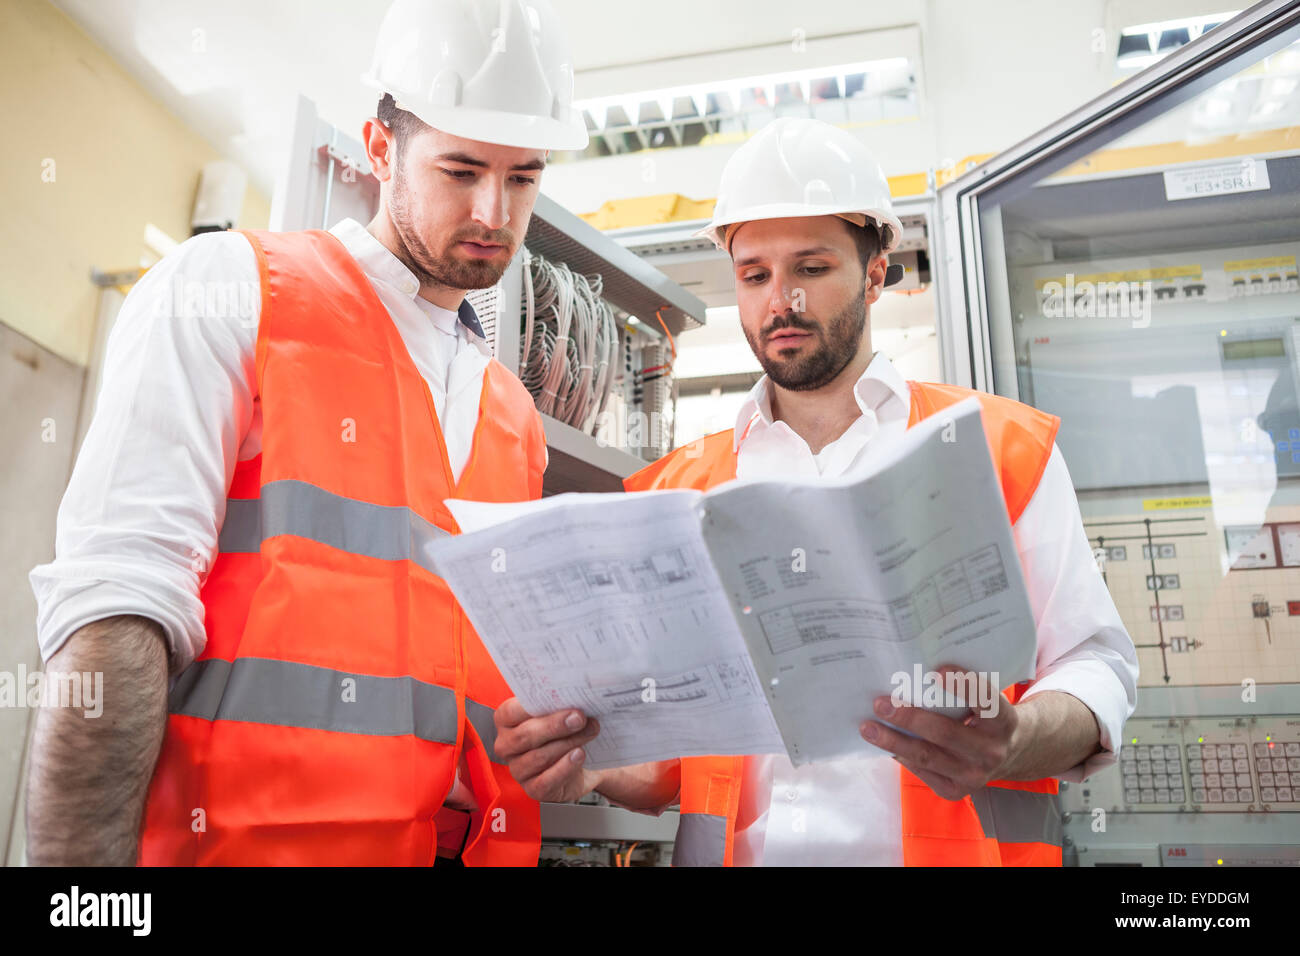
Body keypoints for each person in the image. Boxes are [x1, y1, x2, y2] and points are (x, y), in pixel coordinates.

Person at [26, 0, 588, 866]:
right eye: (461, 168)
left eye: (522, 178)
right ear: (380, 146)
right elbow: (114, 615)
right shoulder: (236, 291)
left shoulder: (514, 418)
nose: (492, 211)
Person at [493, 117, 1139, 866]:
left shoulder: (996, 448)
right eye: (755, 275)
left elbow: (1098, 669)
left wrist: (1016, 738)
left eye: (812, 268)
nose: (782, 302)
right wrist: (582, 767)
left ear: (874, 271)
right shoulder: (681, 487)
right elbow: (674, 764)